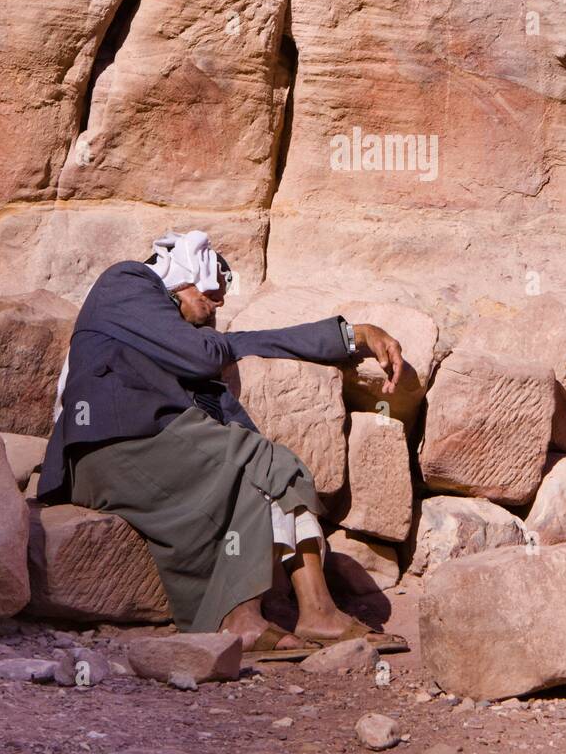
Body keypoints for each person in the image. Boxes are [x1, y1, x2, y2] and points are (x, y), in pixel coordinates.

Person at [37, 230, 408, 661]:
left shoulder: (173, 333)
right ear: (184, 276)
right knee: (264, 459)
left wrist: (350, 337)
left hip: (155, 454)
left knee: (269, 473)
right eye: (211, 296)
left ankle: (294, 617)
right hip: (112, 443)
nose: (216, 309)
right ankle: (271, 618)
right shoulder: (126, 282)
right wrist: (215, 343)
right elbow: (208, 355)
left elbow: (241, 344)